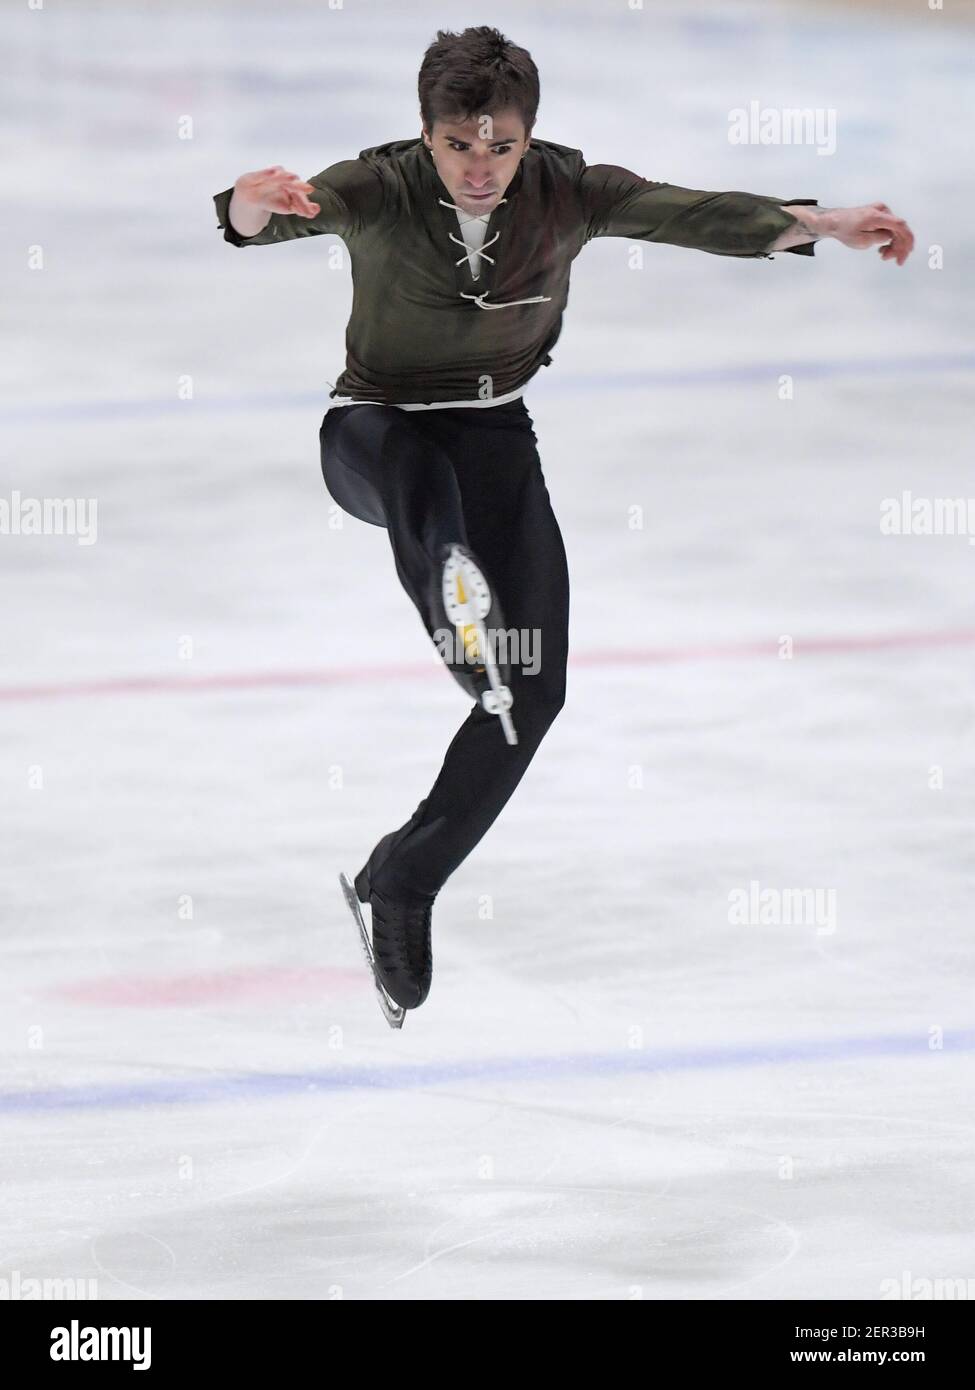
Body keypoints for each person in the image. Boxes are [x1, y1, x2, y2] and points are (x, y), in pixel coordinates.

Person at [213, 25, 914, 1020]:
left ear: (529, 138)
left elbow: (696, 214)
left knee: (531, 691)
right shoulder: (376, 185)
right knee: (424, 485)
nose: (480, 167)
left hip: (494, 436)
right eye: (460, 146)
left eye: (501, 147)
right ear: (426, 135)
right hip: (372, 432)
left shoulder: (571, 190)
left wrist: (829, 223)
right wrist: (251, 199)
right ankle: (459, 616)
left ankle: (404, 877)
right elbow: (255, 222)